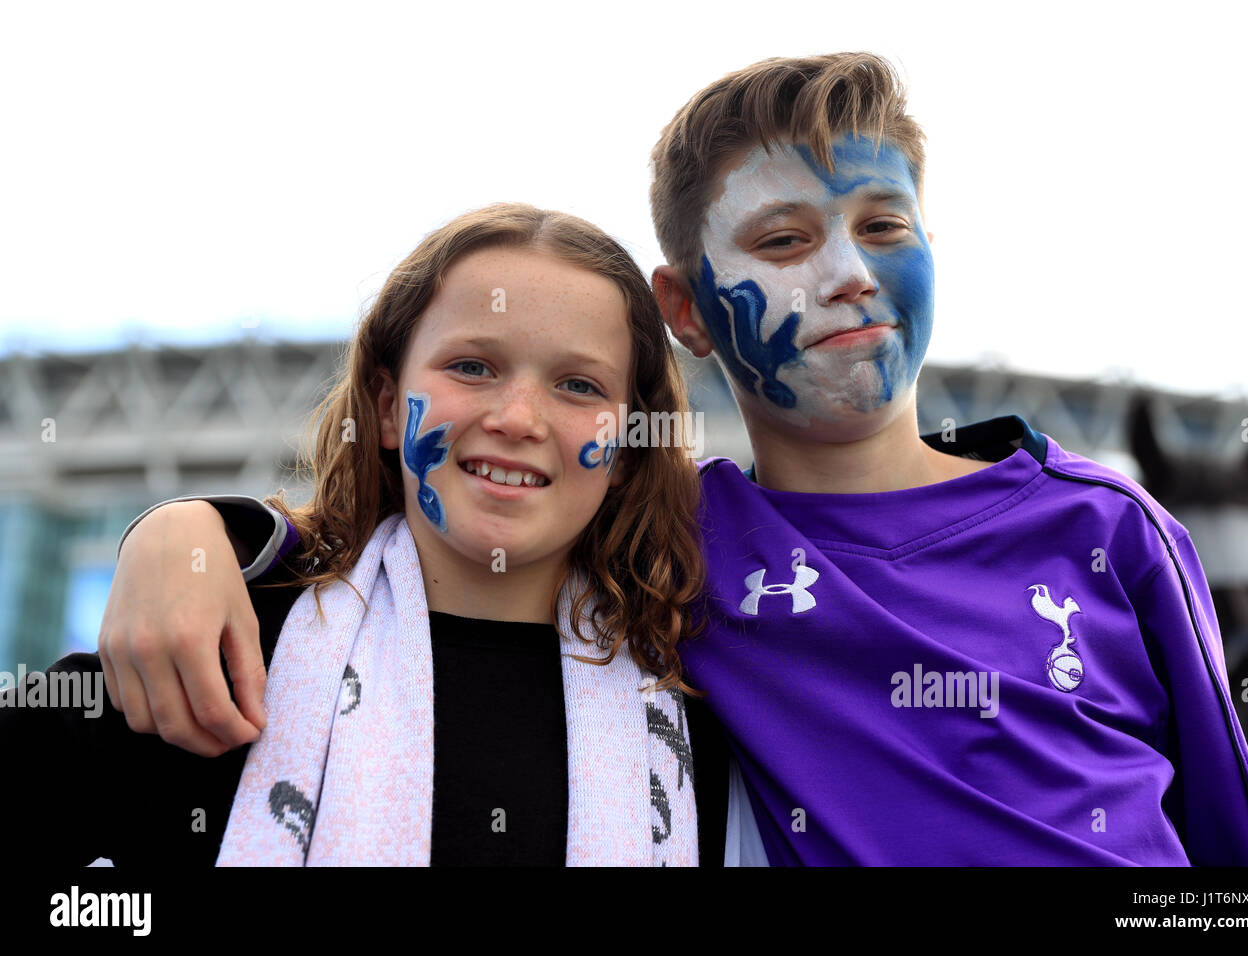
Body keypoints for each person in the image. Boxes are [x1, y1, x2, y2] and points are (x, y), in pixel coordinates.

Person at [98, 54, 1248, 865]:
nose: (847, 274)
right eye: (781, 239)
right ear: (685, 305)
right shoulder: (680, 543)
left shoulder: (1112, 526)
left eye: (884, 226)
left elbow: (1232, 859)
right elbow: (443, 512)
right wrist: (189, 532)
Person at [0, 202, 726, 866]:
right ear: (385, 406)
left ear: (629, 447)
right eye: (472, 367)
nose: (518, 418)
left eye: (579, 386)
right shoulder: (220, 655)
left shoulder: (701, 712)